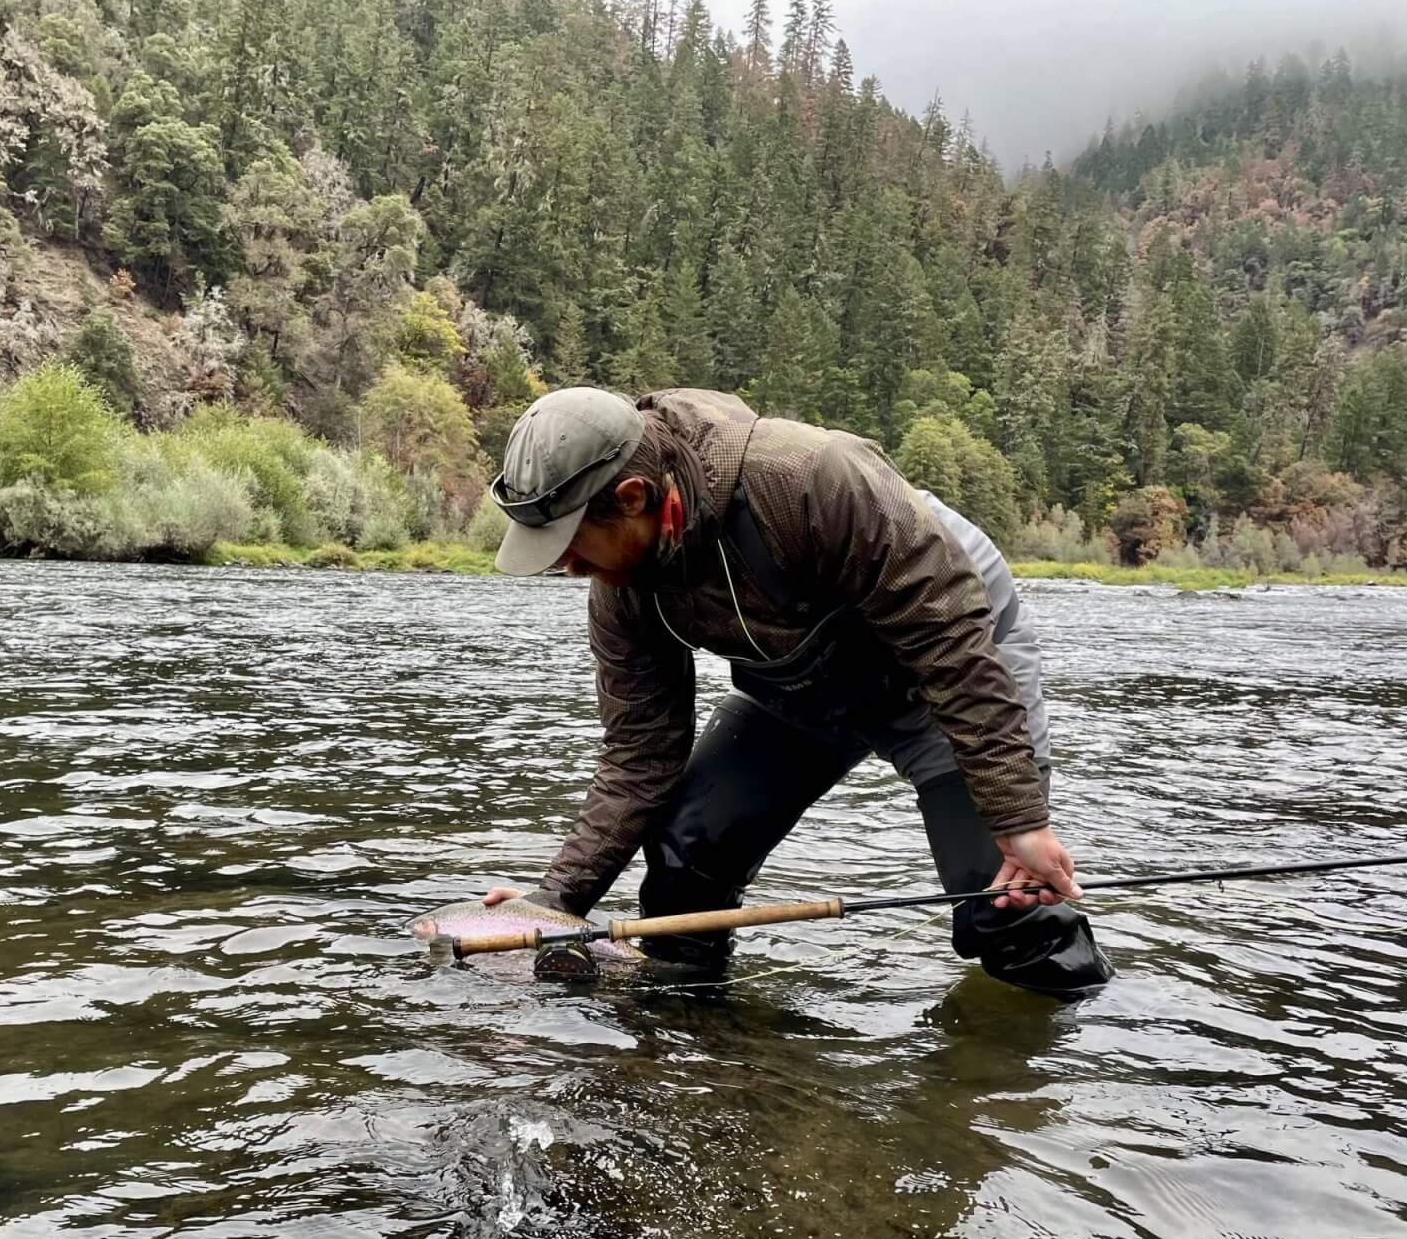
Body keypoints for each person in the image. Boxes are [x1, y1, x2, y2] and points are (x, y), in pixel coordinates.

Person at [477, 385, 1113, 996]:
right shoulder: (622, 590)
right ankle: (694, 1052)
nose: (568, 567)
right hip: (797, 687)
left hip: (941, 668)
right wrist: (556, 901)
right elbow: (640, 757)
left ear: (635, 496)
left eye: (569, 544)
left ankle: (1067, 1061)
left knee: (1001, 903)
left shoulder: (811, 475)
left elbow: (952, 649)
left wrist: (1019, 817)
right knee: (683, 859)